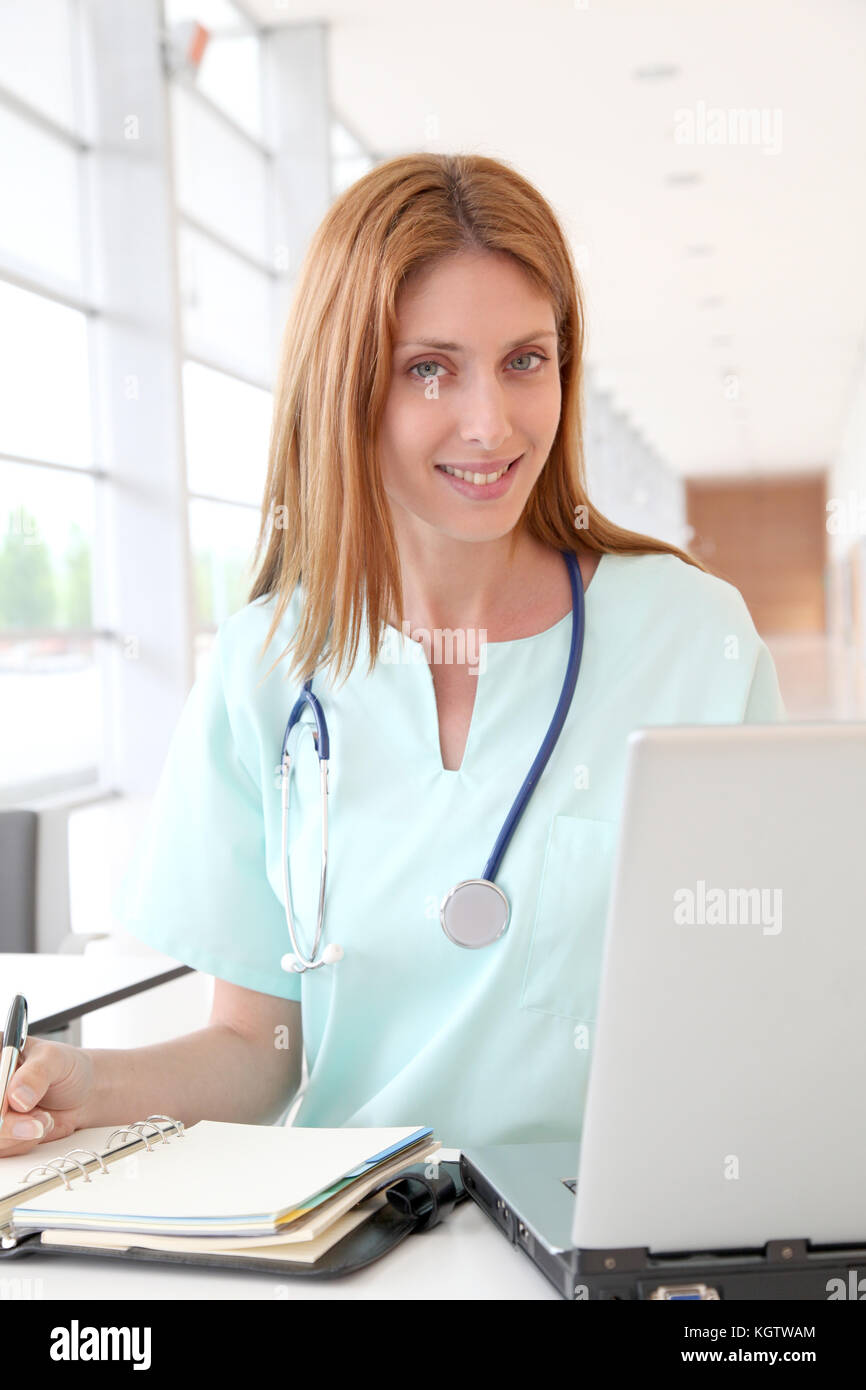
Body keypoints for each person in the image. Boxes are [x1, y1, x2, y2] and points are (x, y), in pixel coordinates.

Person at [0, 152, 785, 1158]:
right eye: (429, 368)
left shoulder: (692, 640)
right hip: (355, 1237)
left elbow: (763, 1007)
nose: (489, 423)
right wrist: (88, 1083)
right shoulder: (263, 666)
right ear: (347, 384)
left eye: (523, 360)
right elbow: (260, 1045)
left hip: (604, 1237)